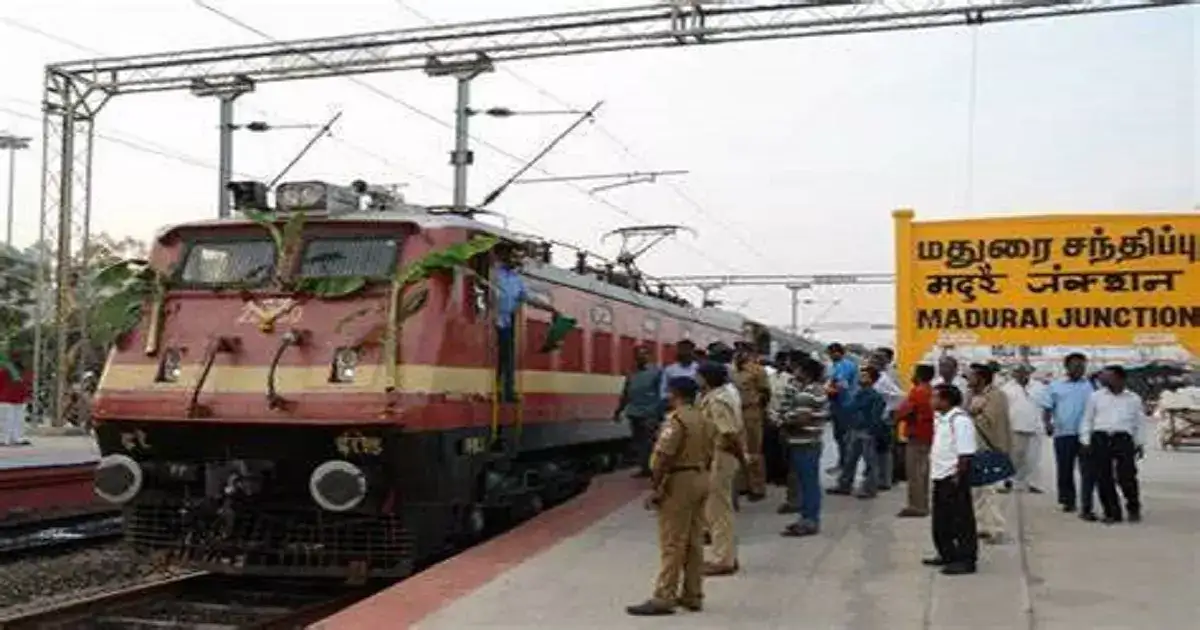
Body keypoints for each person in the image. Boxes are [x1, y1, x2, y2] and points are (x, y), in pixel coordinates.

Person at [626, 376, 717, 616]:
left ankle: (664, 596)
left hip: (680, 481)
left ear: (674, 394)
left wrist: (655, 487)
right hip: (701, 477)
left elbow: (664, 456)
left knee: (672, 541)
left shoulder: (676, 420)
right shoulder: (704, 419)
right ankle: (693, 594)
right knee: (694, 540)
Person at [1079, 365, 1146, 524]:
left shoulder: (1133, 399)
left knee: (1127, 476)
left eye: (1108, 376)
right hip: (1100, 437)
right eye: (1103, 376)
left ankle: (1133, 506)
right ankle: (1112, 512)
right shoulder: (1095, 397)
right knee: (1104, 477)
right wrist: (1085, 440)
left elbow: (1139, 423)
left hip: (1123, 438)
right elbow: (1087, 419)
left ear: (1120, 378)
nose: (1103, 379)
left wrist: (1140, 443)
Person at [924, 383, 979, 576]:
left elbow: (965, 453)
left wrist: (958, 476)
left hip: (953, 477)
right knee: (941, 520)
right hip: (939, 475)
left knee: (961, 520)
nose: (932, 400)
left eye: (935, 397)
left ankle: (966, 559)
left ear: (946, 400)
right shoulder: (940, 418)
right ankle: (947, 553)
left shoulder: (960, 420)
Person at [697, 361, 745, 576]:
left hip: (719, 457)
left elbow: (728, 434)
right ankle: (727, 556)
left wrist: (741, 458)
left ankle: (722, 560)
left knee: (718, 510)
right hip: (720, 456)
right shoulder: (726, 393)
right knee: (719, 508)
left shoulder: (717, 400)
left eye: (699, 376)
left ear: (707, 378)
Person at [493, 242, 557, 402]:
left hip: (505, 323)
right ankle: (499, 389)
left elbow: (529, 297)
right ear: (504, 256)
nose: (518, 261)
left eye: (520, 257)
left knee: (508, 358)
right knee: (500, 357)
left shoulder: (516, 279)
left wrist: (551, 308)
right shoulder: (494, 273)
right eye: (515, 256)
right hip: (492, 321)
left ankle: (506, 391)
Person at [1039, 352, 1097, 518]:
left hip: (1087, 434)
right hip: (1064, 433)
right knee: (1065, 469)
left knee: (1088, 470)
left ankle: (1087, 502)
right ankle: (1067, 500)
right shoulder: (1055, 386)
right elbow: (1048, 407)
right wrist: (1047, 424)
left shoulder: (1092, 386)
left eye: (1082, 366)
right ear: (1067, 367)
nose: (1079, 368)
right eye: (1076, 365)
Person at [778, 357, 829, 537]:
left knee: (808, 484)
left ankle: (809, 520)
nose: (795, 372)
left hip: (804, 442)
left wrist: (784, 418)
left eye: (798, 369)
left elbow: (801, 418)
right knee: (808, 482)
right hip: (810, 441)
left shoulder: (806, 394)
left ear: (805, 372)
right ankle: (807, 518)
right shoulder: (816, 390)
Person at [966, 362, 1011, 544]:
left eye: (971, 376)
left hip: (990, 448)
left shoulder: (997, 396)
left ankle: (997, 530)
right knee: (977, 491)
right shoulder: (970, 394)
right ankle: (982, 526)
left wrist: (973, 412)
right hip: (973, 448)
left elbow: (992, 421)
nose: (967, 379)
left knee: (990, 491)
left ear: (981, 378)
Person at [828, 365, 887, 499]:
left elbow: (874, 416)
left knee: (869, 462)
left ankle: (868, 488)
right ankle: (845, 485)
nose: (861, 378)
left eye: (864, 376)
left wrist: (872, 430)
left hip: (865, 431)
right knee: (850, 459)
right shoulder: (859, 393)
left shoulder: (873, 396)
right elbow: (848, 408)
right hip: (855, 429)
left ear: (872, 379)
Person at [616, 345, 665, 478]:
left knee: (649, 441)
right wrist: (619, 410)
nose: (640, 357)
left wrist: (659, 412)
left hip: (650, 413)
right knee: (639, 442)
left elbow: (662, 393)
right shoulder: (631, 372)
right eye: (637, 354)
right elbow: (626, 392)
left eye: (643, 354)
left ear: (649, 356)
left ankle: (654, 467)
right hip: (634, 412)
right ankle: (644, 468)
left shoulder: (657, 372)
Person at [732, 342, 771, 502]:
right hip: (736, 412)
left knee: (754, 450)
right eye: (738, 350)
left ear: (750, 353)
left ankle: (757, 487)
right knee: (739, 449)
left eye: (743, 351)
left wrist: (758, 409)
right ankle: (742, 485)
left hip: (751, 412)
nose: (740, 353)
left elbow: (765, 393)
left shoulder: (758, 370)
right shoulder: (733, 370)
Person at [897, 363, 936, 518]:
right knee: (923, 470)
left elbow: (904, 411)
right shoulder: (931, 390)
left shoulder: (917, 391)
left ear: (918, 375)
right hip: (928, 433)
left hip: (916, 433)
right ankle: (923, 503)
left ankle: (916, 506)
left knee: (915, 471)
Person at [1002, 364, 1045, 494]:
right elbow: (1003, 409)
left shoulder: (1039, 387)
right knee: (1015, 457)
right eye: (1017, 372)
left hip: (1035, 426)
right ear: (1014, 374)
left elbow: (1045, 404)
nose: (1020, 374)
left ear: (1029, 373)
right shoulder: (1007, 388)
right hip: (1015, 426)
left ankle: (1031, 483)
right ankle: (1008, 481)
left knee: (1033, 457)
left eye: (1023, 372)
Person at [870, 349, 905, 491]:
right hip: (875, 418)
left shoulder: (887, 376)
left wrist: (891, 411)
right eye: (873, 358)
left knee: (885, 450)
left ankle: (886, 479)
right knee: (879, 450)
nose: (873, 361)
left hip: (884, 418)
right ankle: (881, 478)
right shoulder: (876, 375)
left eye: (877, 359)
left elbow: (900, 395)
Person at [824, 342, 859, 474]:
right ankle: (842, 463)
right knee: (839, 437)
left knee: (845, 438)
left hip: (846, 405)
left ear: (839, 352)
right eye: (830, 353)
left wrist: (825, 391)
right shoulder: (836, 365)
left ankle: (846, 466)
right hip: (839, 405)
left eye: (833, 353)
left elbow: (840, 385)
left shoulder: (845, 365)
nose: (831, 356)